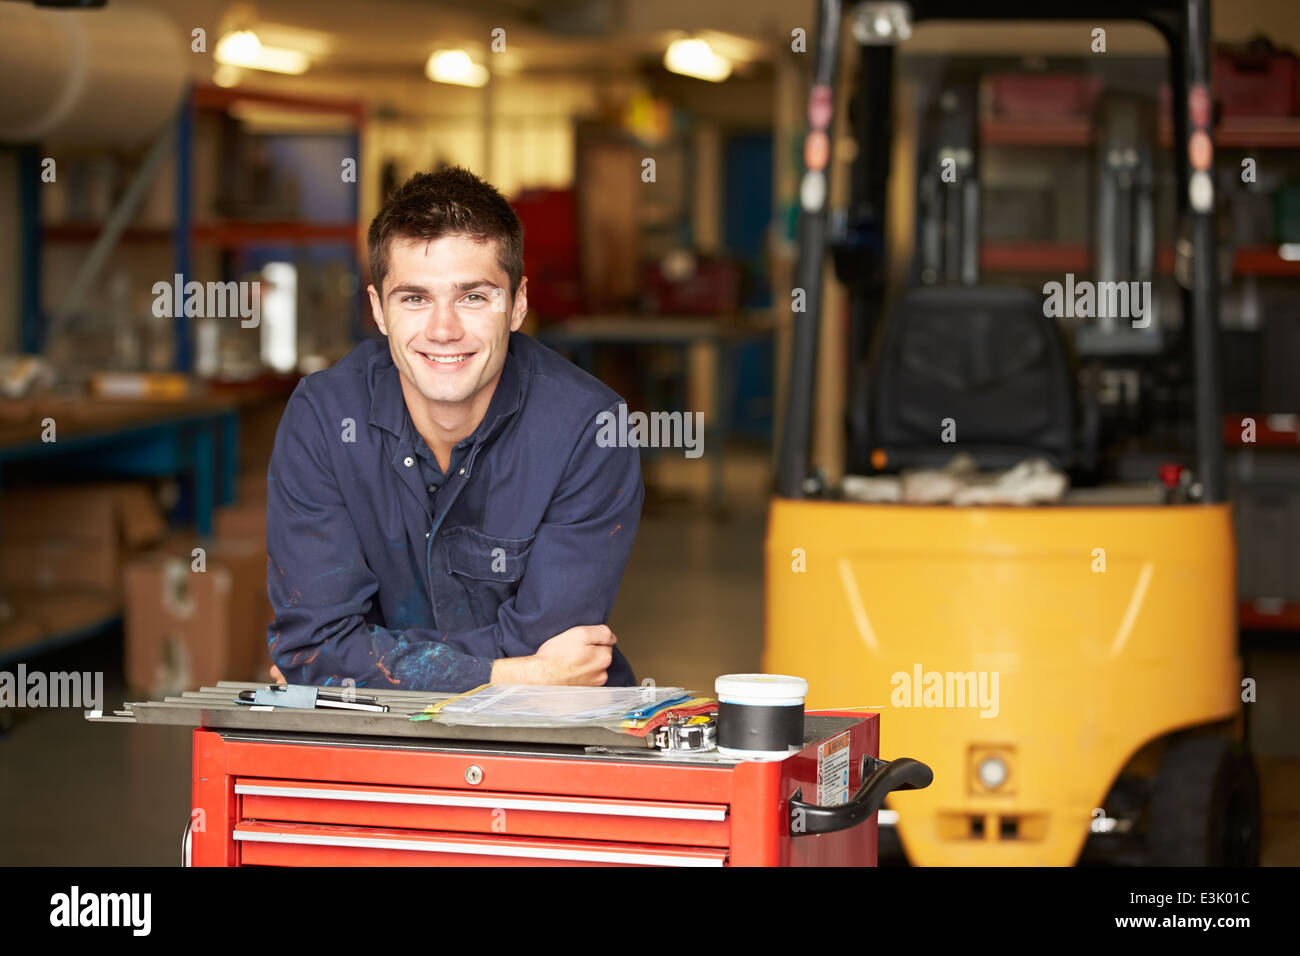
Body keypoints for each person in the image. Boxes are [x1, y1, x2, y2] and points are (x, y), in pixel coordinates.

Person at [264, 167, 642, 691]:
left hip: (546, 736)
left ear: (519, 304)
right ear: (378, 309)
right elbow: (313, 646)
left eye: (474, 297)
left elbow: (560, 648)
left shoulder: (591, 429)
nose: (444, 330)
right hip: (377, 739)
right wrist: (517, 673)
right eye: (415, 298)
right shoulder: (325, 419)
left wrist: (352, 662)